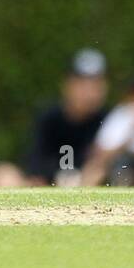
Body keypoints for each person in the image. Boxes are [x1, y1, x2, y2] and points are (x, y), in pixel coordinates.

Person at [20, 48, 111, 186]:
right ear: (67, 85)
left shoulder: (109, 121)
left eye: (95, 84)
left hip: (87, 185)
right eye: (82, 84)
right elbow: (35, 161)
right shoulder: (49, 118)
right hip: (48, 183)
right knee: (3, 173)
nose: (89, 92)